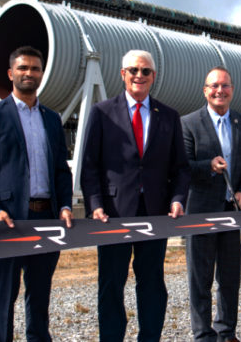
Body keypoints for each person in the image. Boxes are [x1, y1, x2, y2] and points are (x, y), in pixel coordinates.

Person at [0, 46, 73, 342]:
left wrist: (64, 205)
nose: (29, 73)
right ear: (11, 74)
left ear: (41, 74)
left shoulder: (51, 118)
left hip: (46, 218)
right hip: (7, 221)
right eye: (23, 68)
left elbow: (62, 170)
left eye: (35, 69)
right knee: (4, 295)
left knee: (39, 295)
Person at [80, 49, 191, 342]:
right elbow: (90, 165)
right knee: (111, 284)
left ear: (153, 77)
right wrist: (95, 205)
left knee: (152, 282)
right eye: (133, 70)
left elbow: (181, 168)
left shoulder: (168, 116)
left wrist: (178, 199)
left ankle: (149, 337)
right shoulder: (102, 112)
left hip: (156, 213)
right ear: (122, 74)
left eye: (145, 71)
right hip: (113, 215)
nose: (138, 76)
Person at [181, 67, 241, 342]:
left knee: (229, 278)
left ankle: (226, 332)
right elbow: (182, 167)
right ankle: (203, 334)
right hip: (201, 212)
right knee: (200, 278)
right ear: (205, 91)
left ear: (232, 90)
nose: (219, 90)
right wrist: (208, 166)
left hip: (233, 212)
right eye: (214, 86)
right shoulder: (189, 123)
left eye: (225, 85)